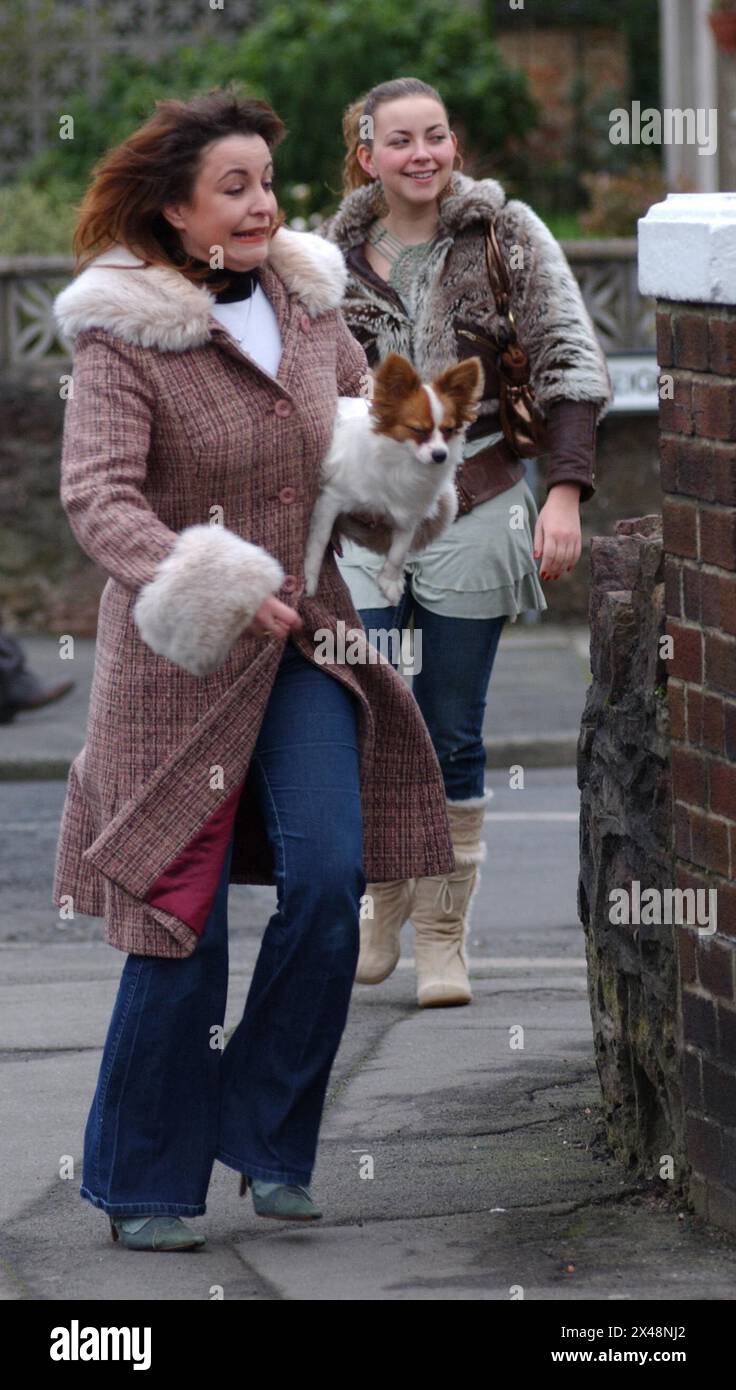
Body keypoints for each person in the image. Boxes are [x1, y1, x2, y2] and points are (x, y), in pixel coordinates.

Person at [51, 87, 456, 1252]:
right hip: (178, 662)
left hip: (309, 646)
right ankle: (142, 1180)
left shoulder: (307, 293)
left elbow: (340, 447)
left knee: (331, 885)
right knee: (179, 923)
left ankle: (265, 1136)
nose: (261, 204)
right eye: (233, 187)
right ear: (174, 212)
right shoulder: (120, 331)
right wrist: (223, 588)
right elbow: (98, 499)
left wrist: (411, 468)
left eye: (267, 184)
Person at [319, 77, 613, 1008]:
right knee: (368, 711)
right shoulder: (323, 256)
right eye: (399, 140)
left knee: (451, 728)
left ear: (452, 144)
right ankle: (383, 901)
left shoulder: (506, 233)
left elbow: (570, 358)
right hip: (363, 518)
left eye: (435, 136)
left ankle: (444, 936)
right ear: (367, 154)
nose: (422, 155)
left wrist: (562, 496)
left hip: (480, 500)